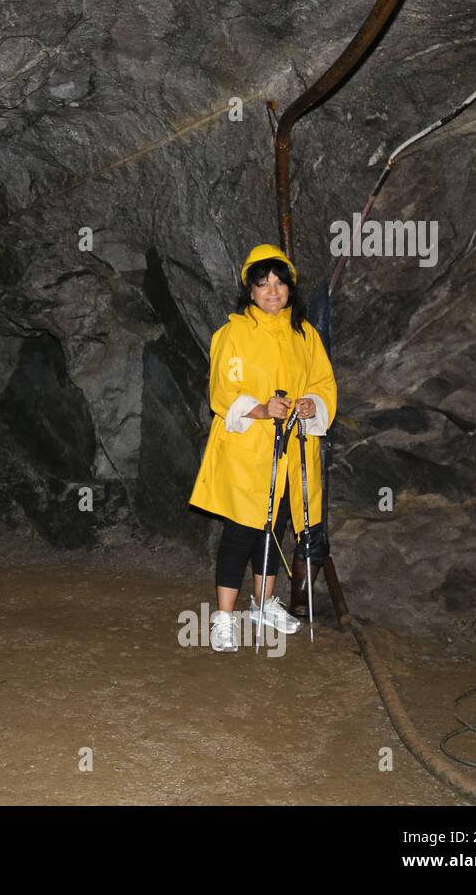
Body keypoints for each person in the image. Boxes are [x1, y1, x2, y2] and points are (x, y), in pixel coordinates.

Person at [188, 244, 338, 652]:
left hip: (291, 448)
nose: (273, 291)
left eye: (279, 283)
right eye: (263, 284)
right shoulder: (232, 333)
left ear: (290, 288)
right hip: (245, 449)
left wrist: (312, 403)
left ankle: (263, 602)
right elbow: (222, 391)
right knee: (241, 531)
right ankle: (223, 616)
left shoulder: (304, 334)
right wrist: (260, 407)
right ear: (250, 291)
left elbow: (322, 382)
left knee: (273, 528)